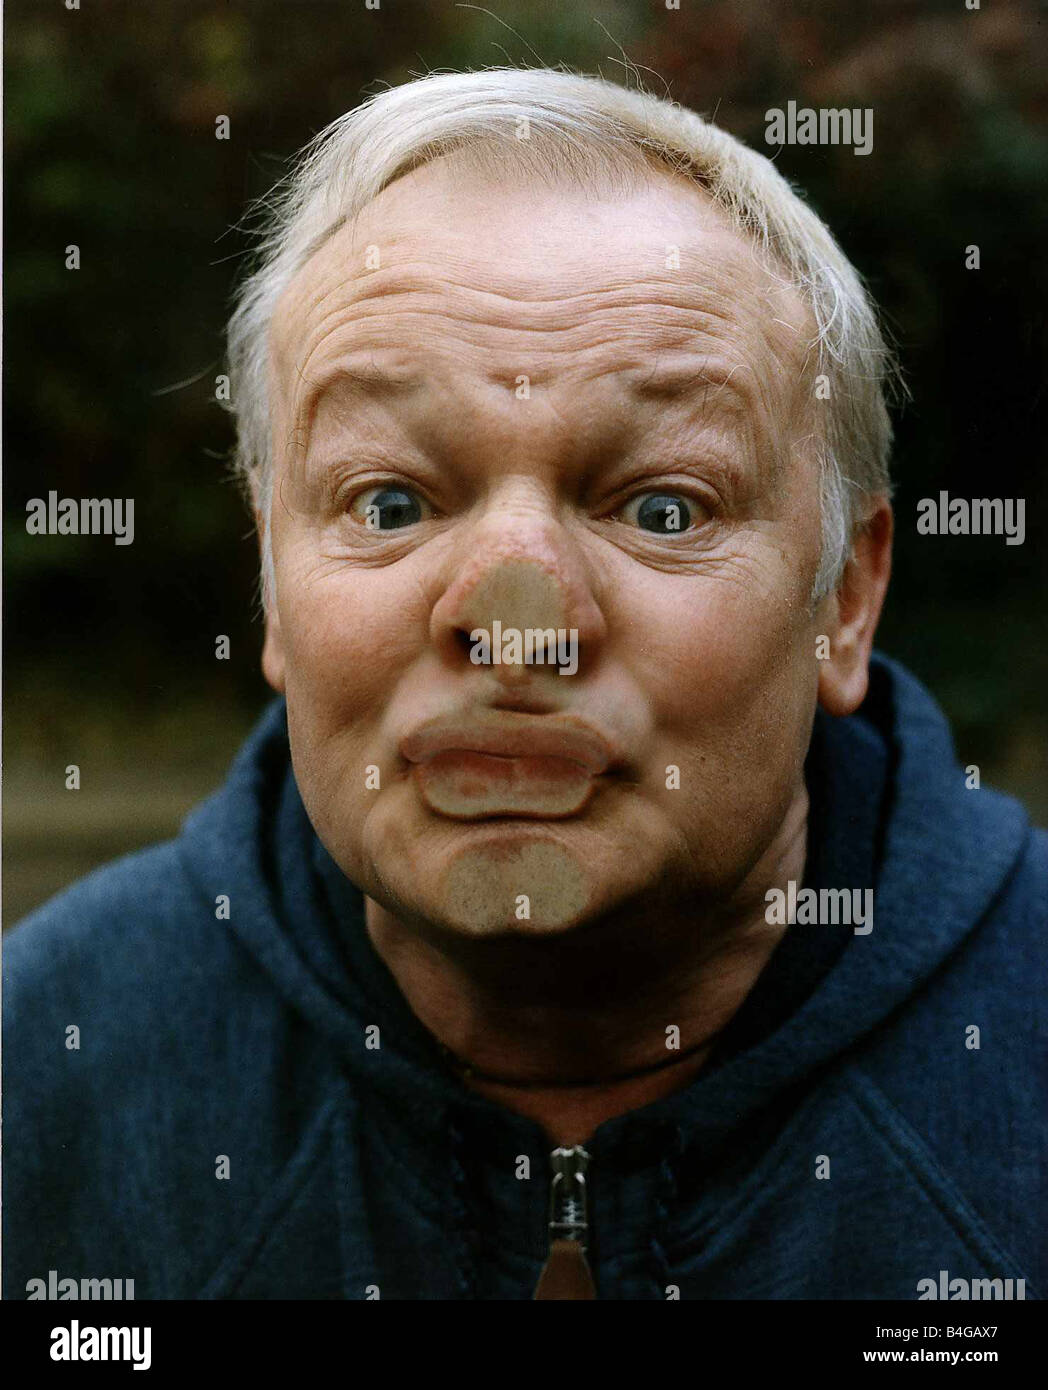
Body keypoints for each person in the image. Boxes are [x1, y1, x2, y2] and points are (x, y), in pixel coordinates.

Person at [5, 68, 1044, 1301]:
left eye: (663, 507)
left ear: (844, 598)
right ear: (272, 589)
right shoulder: (41, 1067)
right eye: (390, 503)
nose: (515, 622)